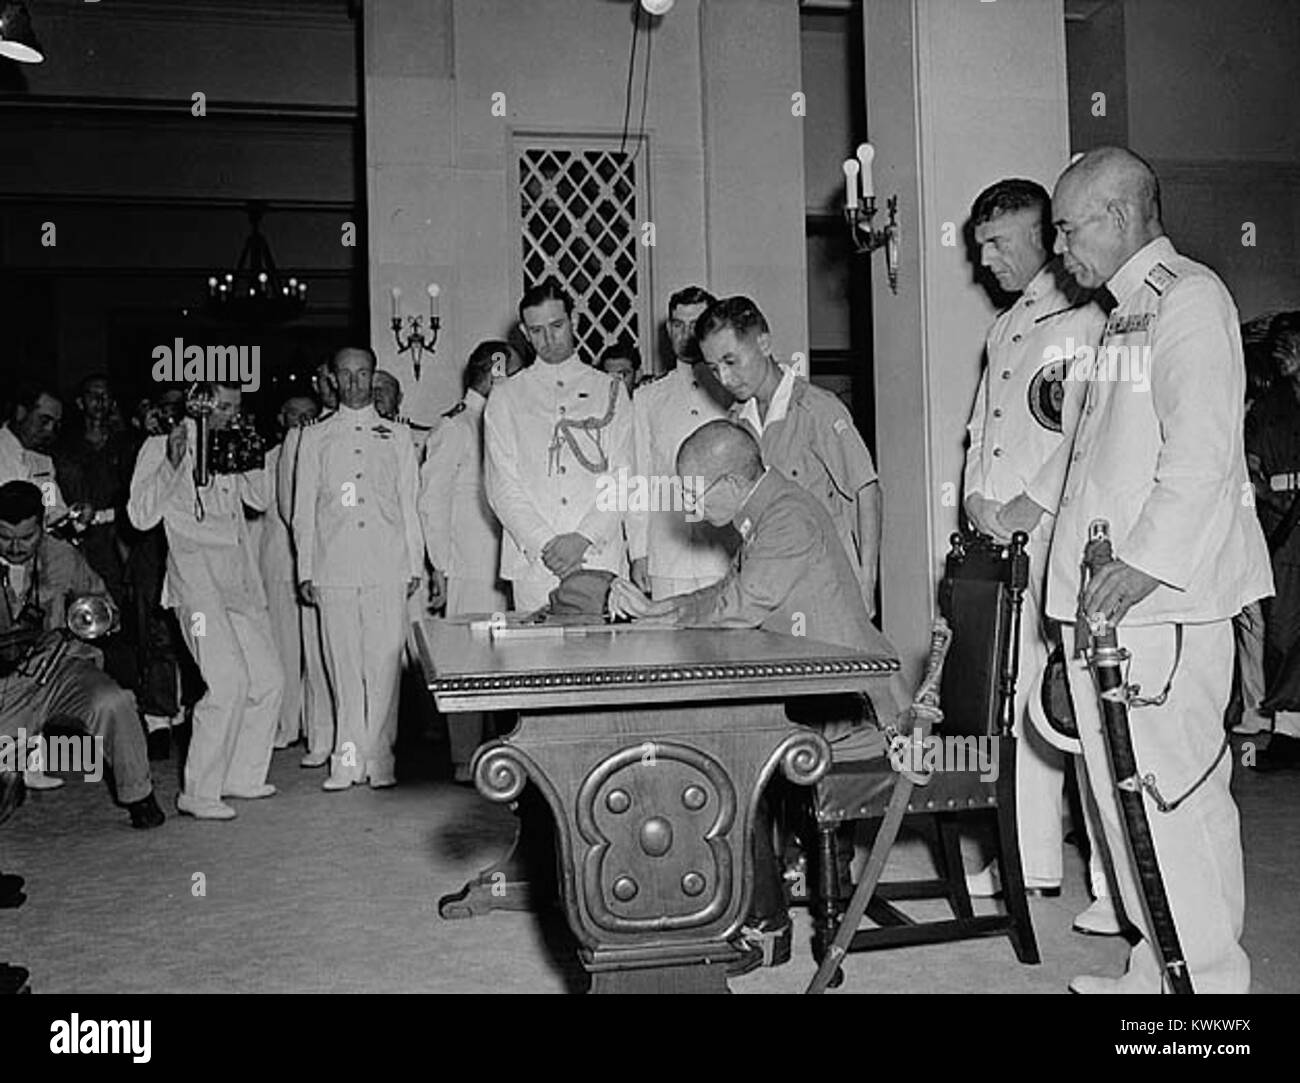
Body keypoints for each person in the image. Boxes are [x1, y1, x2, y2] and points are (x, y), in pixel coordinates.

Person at [1047, 146, 1272, 994]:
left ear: (1117, 216)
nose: (1060, 246)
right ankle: (1157, 966)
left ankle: (1207, 991)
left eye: (1069, 227)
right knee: (1121, 801)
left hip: (1161, 605)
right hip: (1108, 609)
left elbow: (1203, 454)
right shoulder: (1120, 312)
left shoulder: (1190, 298)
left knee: (1175, 797)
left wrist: (1140, 567)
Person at [609, 419, 891, 972]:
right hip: (815, 690)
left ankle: (765, 925)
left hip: (844, 706)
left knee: (730, 761)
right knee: (722, 749)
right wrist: (660, 611)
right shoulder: (766, 510)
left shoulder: (785, 517)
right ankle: (749, 909)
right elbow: (727, 591)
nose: (688, 508)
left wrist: (665, 623)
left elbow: (741, 605)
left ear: (733, 483)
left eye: (694, 492)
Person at [960, 179, 1117, 933]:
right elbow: (982, 429)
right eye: (980, 244)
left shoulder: (1090, 316)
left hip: (1059, 536)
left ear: (1043, 233)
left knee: (1078, 703)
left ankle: (1114, 881)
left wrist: (1034, 503)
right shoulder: (1011, 323)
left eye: (998, 242)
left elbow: (1091, 426)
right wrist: (975, 500)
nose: (985, 259)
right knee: (1016, 698)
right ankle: (1029, 859)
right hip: (1000, 541)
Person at [128, 381, 284, 820]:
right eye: (222, 407)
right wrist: (173, 464)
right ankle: (198, 791)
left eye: (236, 408)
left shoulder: (234, 443)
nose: (230, 415)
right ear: (197, 405)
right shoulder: (160, 446)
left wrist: (250, 456)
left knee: (268, 679)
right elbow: (140, 516)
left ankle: (242, 775)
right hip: (194, 582)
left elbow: (260, 499)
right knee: (228, 680)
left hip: (237, 578)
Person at [696, 297, 881, 616]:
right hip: (771, 591)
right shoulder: (735, 426)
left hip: (828, 588)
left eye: (731, 361)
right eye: (714, 369)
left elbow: (867, 491)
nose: (725, 379)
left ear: (764, 343)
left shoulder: (817, 409)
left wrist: (866, 580)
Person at [293, 347, 423, 791]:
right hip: (335, 565)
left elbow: (410, 504)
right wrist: (306, 569)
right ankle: (346, 760)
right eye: (345, 375)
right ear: (332, 379)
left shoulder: (397, 436)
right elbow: (303, 511)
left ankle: (380, 757)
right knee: (343, 666)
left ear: (374, 377)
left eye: (362, 374)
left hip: (388, 562)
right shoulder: (314, 438)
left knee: (386, 665)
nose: (354, 384)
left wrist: (415, 563)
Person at [0, 480, 164, 829]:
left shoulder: (61, 555)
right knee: (4, 778)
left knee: (113, 702)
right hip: (7, 684)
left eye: (26, 538)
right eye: (4, 537)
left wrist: (101, 618)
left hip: (60, 667)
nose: (15, 547)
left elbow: (105, 605)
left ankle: (140, 794)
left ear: (42, 527)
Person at [485, 278, 634, 611]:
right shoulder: (506, 396)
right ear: (524, 333)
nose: (549, 340)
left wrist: (583, 538)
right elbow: (501, 486)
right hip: (535, 564)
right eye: (537, 331)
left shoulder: (609, 389)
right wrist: (546, 545)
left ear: (574, 321)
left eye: (557, 326)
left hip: (598, 556)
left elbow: (623, 477)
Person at [420, 340, 524, 781]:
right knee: (467, 664)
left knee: (503, 664)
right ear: (495, 373)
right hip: (469, 567)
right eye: (513, 373)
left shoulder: (507, 422)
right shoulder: (457, 428)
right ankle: (464, 758)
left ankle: (499, 751)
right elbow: (432, 503)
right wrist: (441, 567)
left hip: (506, 565)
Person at [627, 285, 735, 600]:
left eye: (695, 324)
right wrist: (639, 552)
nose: (685, 334)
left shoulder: (732, 390)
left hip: (723, 553)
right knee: (670, 648)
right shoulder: (648, 397)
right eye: (678, 325)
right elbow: (638, 480)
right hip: (668, 557)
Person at [1246, 312, 1300, 770]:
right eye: (1278, 343)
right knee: (1282, 632)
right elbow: (1248, 464)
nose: (1281, 350)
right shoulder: (1269, 407)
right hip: (1282, 531)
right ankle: (1286, 731)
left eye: (1292, 342)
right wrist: (1265, 494)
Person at [257, 394, 320, 751]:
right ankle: (286, 724)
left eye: (308, 416)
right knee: (282, 648)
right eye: (294, 415)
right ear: (282, 418)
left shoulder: (322, 451)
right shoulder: (266, 460)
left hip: (313, 565)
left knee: (314, 651)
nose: (300, 422)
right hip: (279, 562)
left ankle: (315, 725)